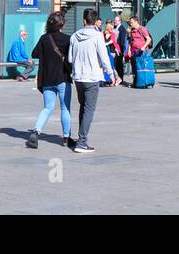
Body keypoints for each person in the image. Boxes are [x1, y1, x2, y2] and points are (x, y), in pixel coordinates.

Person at [67, 9, 116, 154]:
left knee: (83, 107)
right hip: (92, 76)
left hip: (78, 76)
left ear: (84, 20)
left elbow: (70, 58)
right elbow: (103, 56)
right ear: (95, 22)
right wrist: (110, 73)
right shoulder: (97, 36)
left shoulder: (74, 36)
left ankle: (81, 138)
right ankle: (81, 142)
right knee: (89, 109)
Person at [26, 11, 72, 149]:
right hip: (63, 78)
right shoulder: (67, 39)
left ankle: (36, 132)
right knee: (65, 108)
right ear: (61, 24)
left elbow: (34, 53)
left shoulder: (44, 38)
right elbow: (71, 58)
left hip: (47, 79)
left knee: (47, 108)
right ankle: (65, 138)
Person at [112, 12, 129, 86]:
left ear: (120, 21)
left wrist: (121, 51)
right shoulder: (116, 28)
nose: (115, 21)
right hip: (116, 49)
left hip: (119, 50)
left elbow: (122, 41)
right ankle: (118, 78)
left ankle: (120, 78)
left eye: (116, 20)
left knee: (119, 65)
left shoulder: (122, 29)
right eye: (114, 20)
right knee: (116, 64)